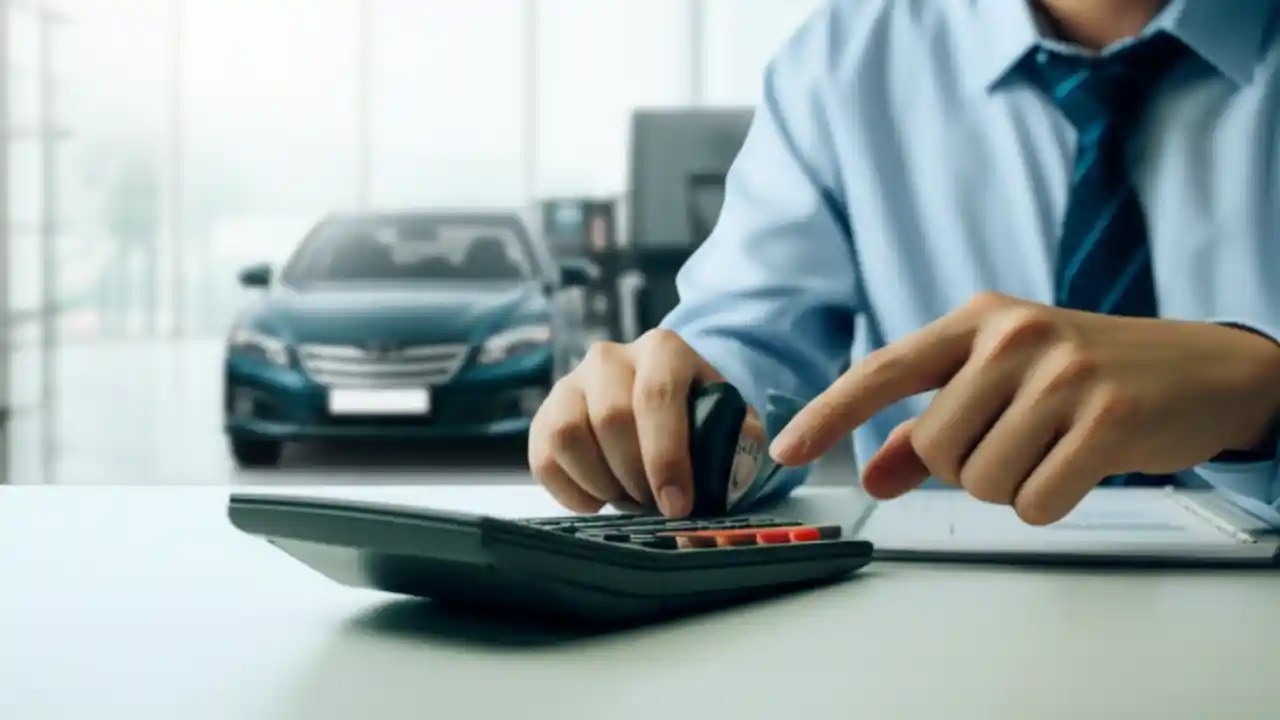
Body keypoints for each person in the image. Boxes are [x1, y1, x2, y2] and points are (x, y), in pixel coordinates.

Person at [528, 0, 1280, 526]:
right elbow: (754, 351)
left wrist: (1263, 394)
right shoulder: (841, 63)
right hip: (937, 616)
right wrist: (672, 414)